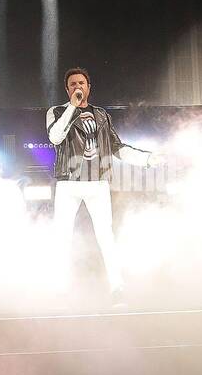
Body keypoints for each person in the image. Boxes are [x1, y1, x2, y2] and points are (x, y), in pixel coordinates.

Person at [46, 68, 162, 304]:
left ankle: (117, 286)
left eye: (81, 83)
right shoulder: (56, 112)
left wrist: (147, 159)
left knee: (105, 236)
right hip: (69, 182)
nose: (77, 87)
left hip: (97, 182)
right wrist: (72, 107)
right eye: (72, 84)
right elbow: (56, 137)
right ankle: (60, 287)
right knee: (62, 236)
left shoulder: (101, 115)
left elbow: (117, 147)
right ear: (67, 89)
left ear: (89, 87)